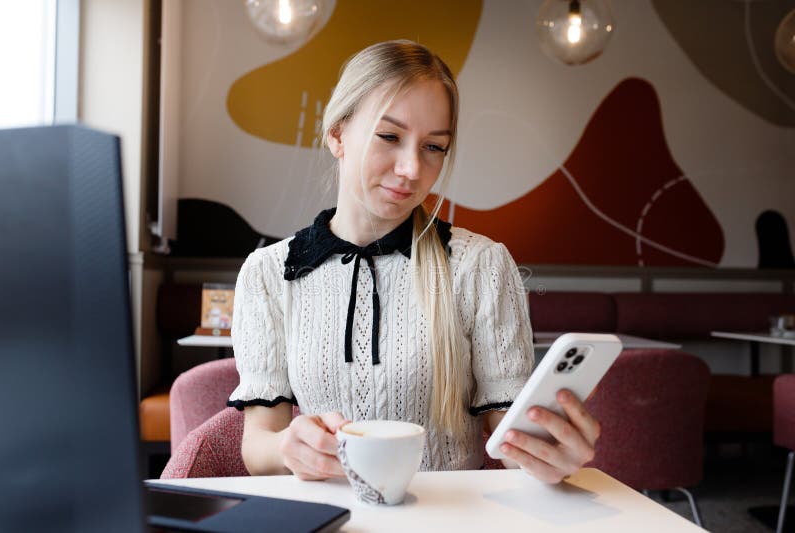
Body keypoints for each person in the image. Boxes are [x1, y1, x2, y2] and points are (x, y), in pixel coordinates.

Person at [228, 40, 600, 484]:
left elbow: (507, 437)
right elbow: (259, 444)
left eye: (433, 147)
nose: (411, 168)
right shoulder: (268, 273)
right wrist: (288, 447)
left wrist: (548, 451)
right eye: (389, 136)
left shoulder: (480, 264)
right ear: (337, 134)